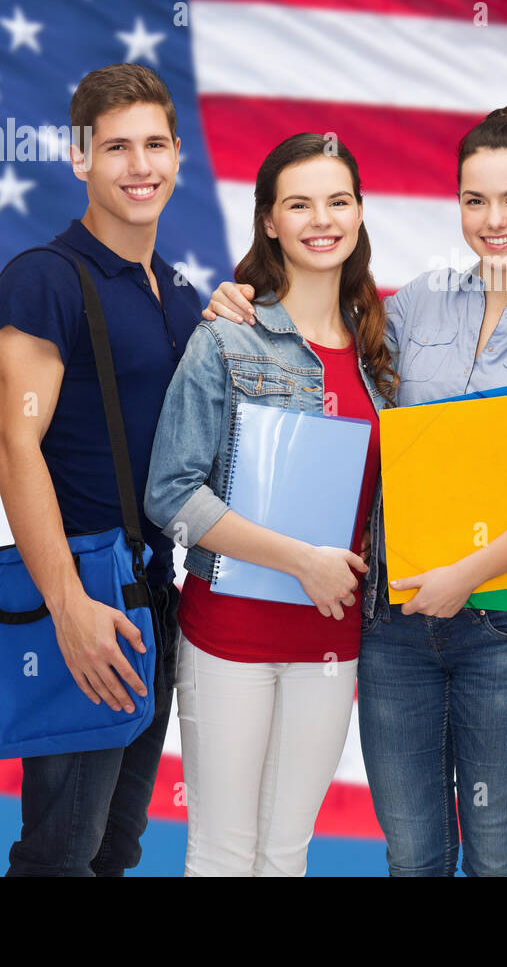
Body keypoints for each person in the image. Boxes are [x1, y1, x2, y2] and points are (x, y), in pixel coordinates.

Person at [207, 104, 507, 876]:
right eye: (474, 199)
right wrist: (242, 303)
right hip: (394, 624)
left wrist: (466, 574)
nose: (493, 220)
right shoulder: (419, 301)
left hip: (506, 627)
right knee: (415, 853)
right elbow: (322, 343)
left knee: (496, 855)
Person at [144, 134, 394, 876]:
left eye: (338, 200)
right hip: (229, 636)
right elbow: (171, 495)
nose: (322, 218)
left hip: (332, 640)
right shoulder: (227, 336)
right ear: (270, 222)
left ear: (358, 213)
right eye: (300, 203)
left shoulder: (386, 352)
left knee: (285, 853)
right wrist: (300, 561)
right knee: (224, 852)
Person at [0, 64, 203, 876]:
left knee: (113, 849)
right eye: (116, 147)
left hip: (156, 603)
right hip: (83, 599)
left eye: (153, 145)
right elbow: (15, 447)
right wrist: (67, 602)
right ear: (80, 159)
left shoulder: (177, 295)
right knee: (59, 854)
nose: (139, 165)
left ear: (179, 155)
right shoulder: (44, 279)